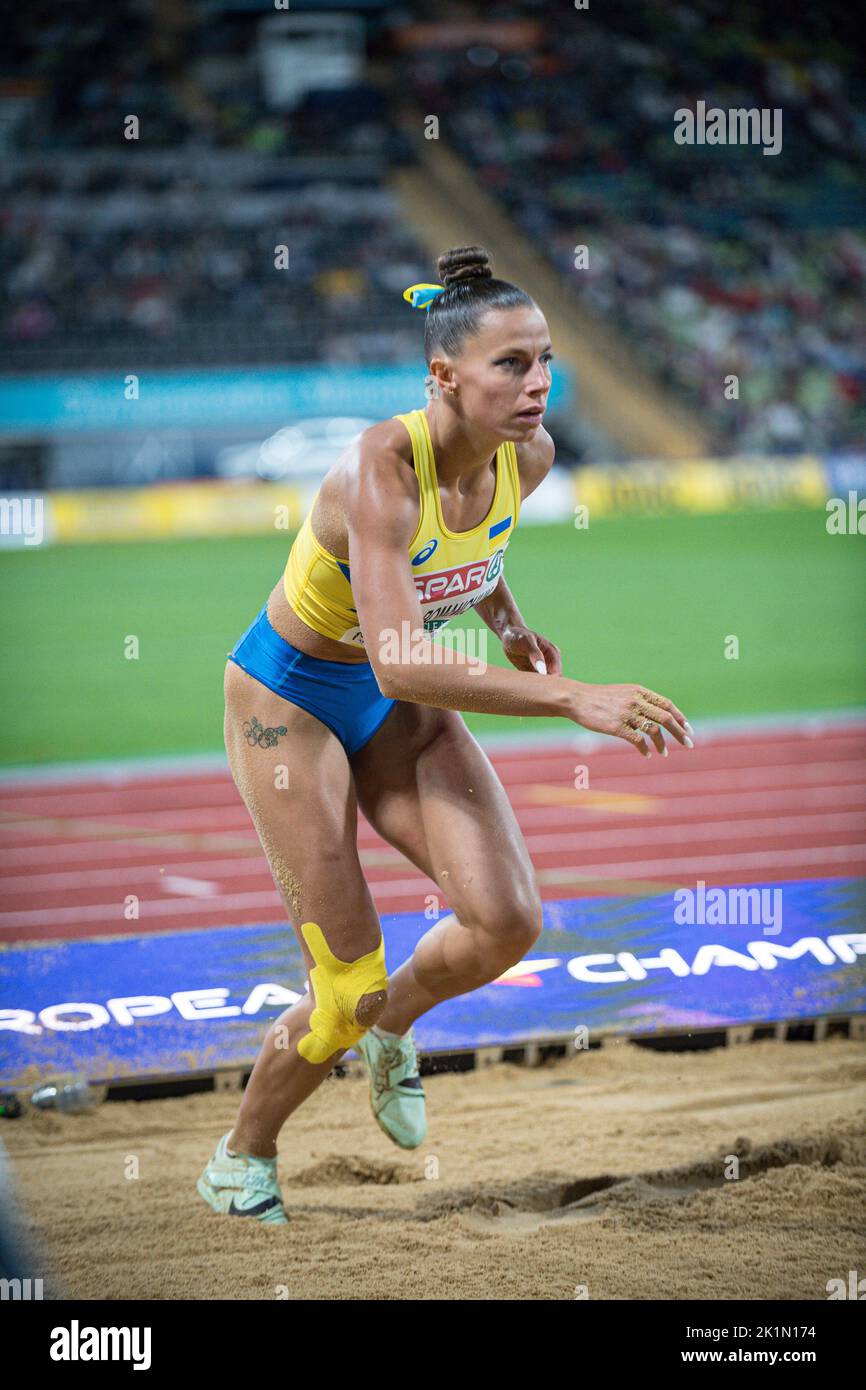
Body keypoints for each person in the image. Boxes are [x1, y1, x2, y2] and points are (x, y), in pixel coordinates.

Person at [197, 244, 693, 1223]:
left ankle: (396, 1032)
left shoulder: (532, 454)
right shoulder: (380, 467)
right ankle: (242, 1155)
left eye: (544, 358)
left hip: (395, 700)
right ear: (443, 377)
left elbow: (471, 549)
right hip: (288, 703)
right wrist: (573, 698)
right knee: (343, 985)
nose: (537, 381)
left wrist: (506, 622)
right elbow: (397, 660)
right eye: (510, 363)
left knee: (505, 920)